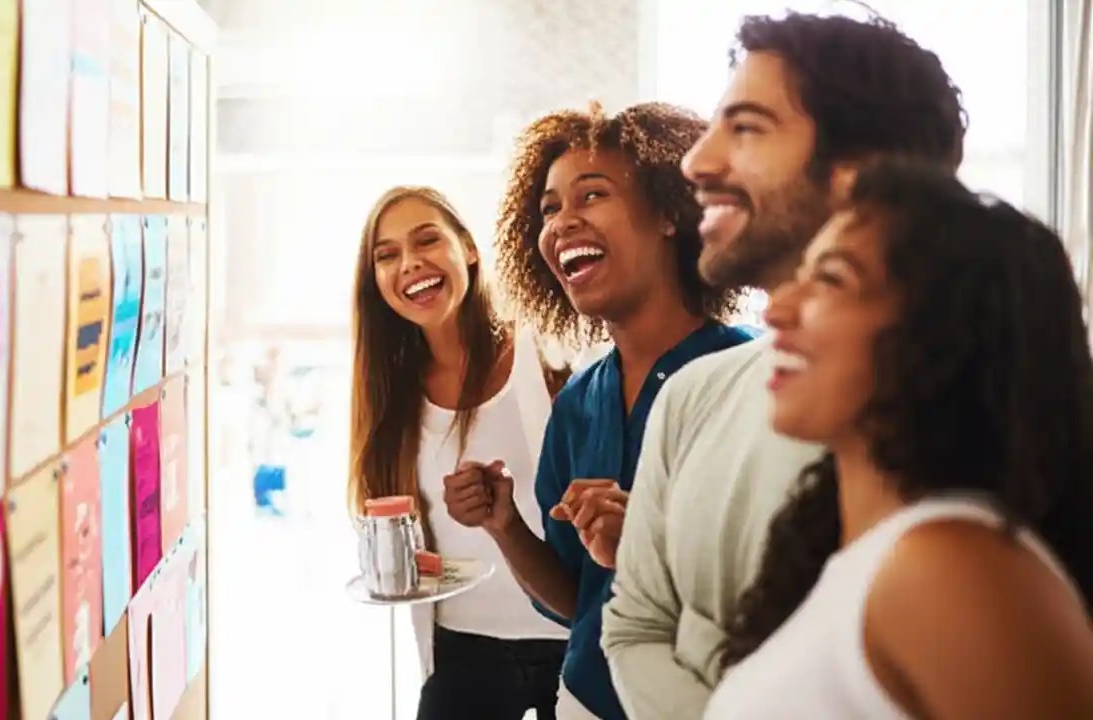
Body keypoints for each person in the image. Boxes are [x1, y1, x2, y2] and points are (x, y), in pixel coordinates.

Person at [601, 12, 970, 719]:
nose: (695, 163)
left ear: (862, 170)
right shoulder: (692, 395)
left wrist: (704, 652)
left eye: (745, 128)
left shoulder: (1003, 428)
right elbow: (634, 629)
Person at [707, 157, 1093, 719]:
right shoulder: (869, 560)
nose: (779, 307)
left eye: (832, 279)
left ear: (942, 337)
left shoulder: (950, 567)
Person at [443, 102, 752, 720]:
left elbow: (774, 592)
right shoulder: (580, 401)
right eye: (549, 208)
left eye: (591, 195)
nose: (562, 222)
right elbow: (573, 599)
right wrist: (505, 526)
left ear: (670, 212)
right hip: (583, 701)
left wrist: (645, 541)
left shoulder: (747, 380)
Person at [346, 186, 570, 720]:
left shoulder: (546, 355)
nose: (411, 264)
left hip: (570, 639)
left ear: (468, 248)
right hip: (466, 648)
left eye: (428, 240)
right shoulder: (391, 394)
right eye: (387, 255)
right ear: (376, 283)